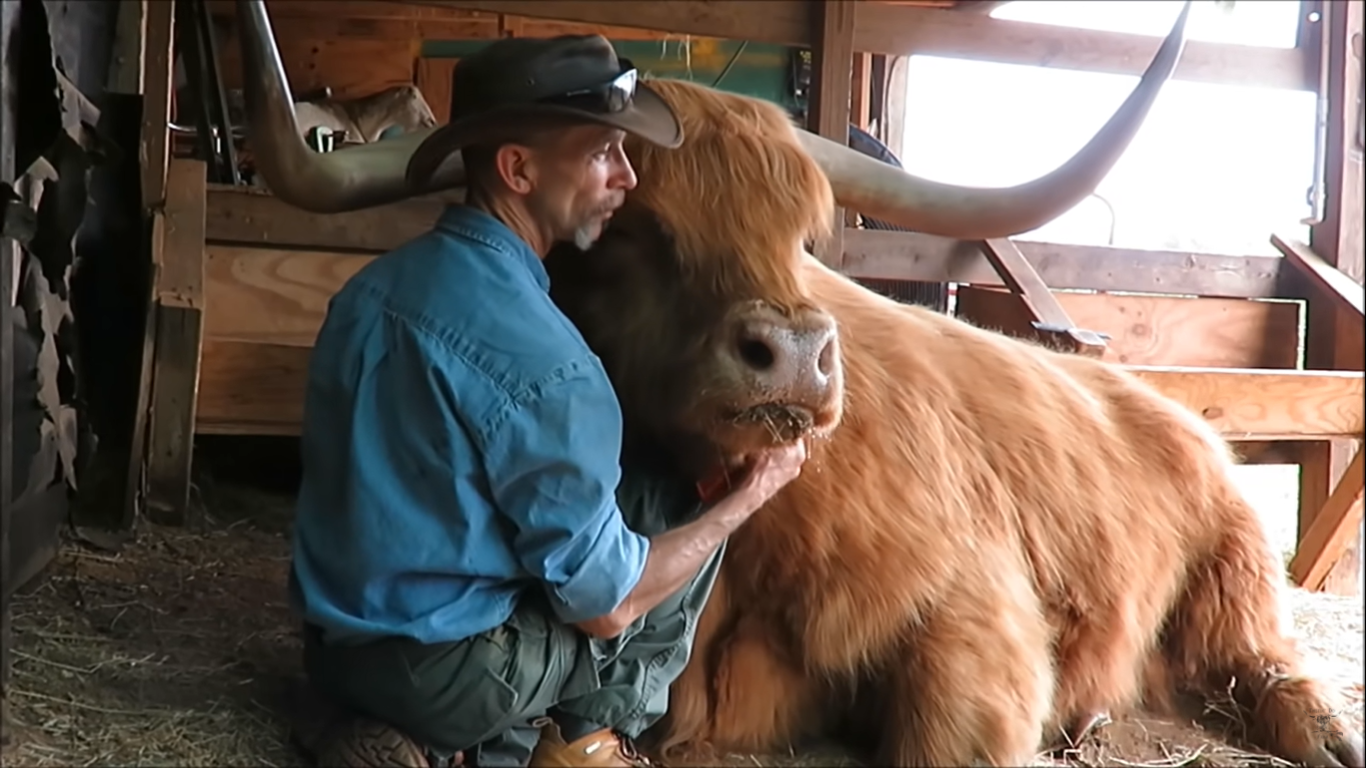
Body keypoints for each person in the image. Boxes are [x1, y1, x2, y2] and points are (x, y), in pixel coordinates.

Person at [286, 34, 808, 768]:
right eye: (603, 152)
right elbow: (610, 605)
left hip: (334, 650)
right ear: (518, 169)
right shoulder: (553, 367)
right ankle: (578, 742)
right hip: (454, 676)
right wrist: (744, 500)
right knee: (678, 498)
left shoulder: (365, 295)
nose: (628, 177)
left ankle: (388, 730)